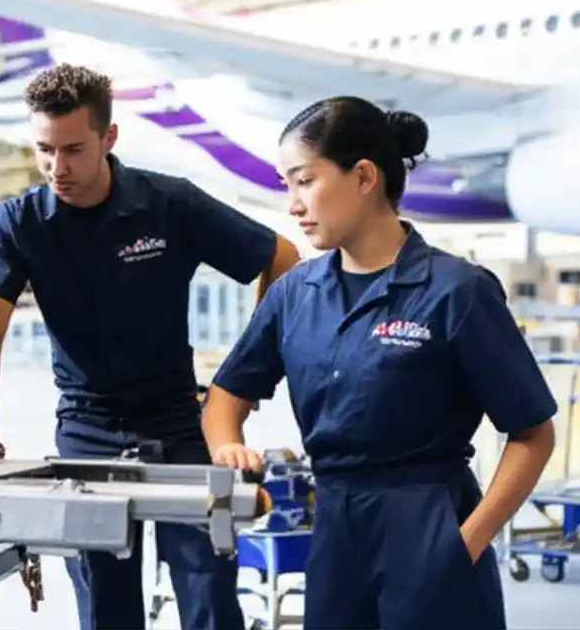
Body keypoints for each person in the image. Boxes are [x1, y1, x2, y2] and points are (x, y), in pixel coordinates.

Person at [0, 63, 301, 630]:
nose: (56, 167)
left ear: (108, 137)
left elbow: (281, 258)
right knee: (104, 608)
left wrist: (242, 377)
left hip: (177, 422)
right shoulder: (21, 222)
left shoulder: (169, 204)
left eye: (72, 149)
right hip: (85, 428)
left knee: (209, 597)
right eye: (44, 149)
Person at [202, 96, 558, 629]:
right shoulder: (295, 293)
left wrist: (466, 543)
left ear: (364, 175)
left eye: (304, 181)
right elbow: (226, 395)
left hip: (431, 520)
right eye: (286, 186)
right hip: (335, 532)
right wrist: (226, 444)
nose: (293, 205)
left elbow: (534, 433)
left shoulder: (456, 292)